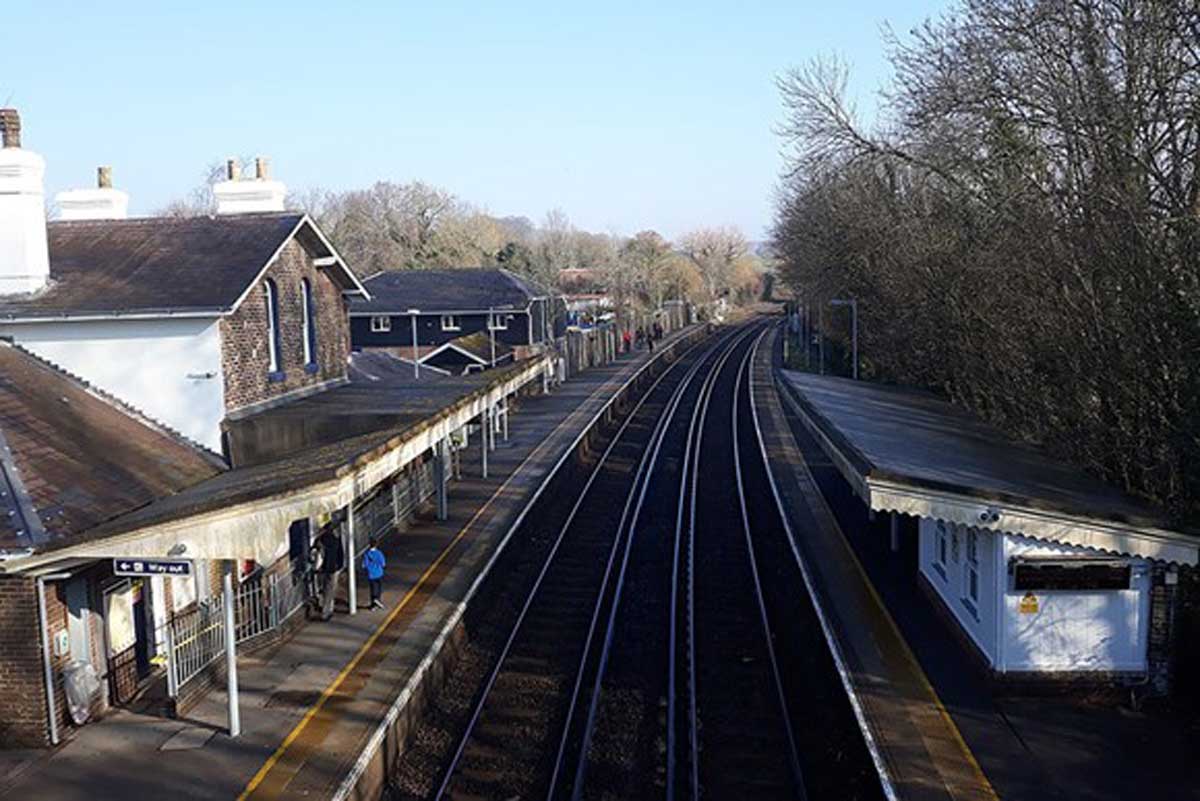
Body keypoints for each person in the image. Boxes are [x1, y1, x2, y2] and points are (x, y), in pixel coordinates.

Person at [315, 525, 345, 621]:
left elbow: (315, 552)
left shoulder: (320, 541)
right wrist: (340, 566)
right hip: (333, 569)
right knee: (330, 590)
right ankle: (327, 611)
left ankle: (325, 606)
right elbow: (341, 554)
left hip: (321, 569)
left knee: (323, 589)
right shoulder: (336, 540)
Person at [362, 537, 386, 610]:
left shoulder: (366, 554)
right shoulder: (379, 553)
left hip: (371, 574)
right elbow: (383, 563)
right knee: (379, 587)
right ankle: (377, 599)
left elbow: (364, 565)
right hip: (379, 573)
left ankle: (373, 604)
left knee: (372, 588)